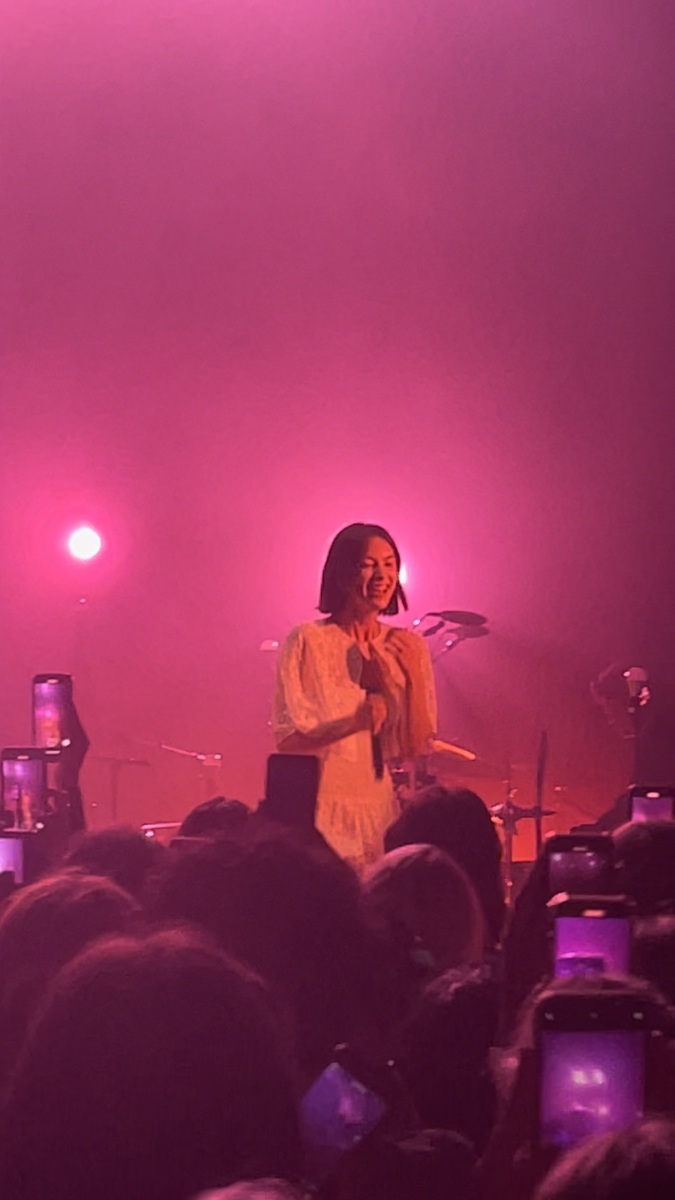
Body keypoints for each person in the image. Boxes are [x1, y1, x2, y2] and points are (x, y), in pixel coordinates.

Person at [274, 523, 437, 866]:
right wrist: (355, 723)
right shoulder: (307, 640)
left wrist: (414, 678)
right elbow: (288, 739)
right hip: (319, 816)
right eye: (368, 564)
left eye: (390, 564)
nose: (382, 575)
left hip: (380, 816)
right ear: (342, 573)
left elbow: (415, 747)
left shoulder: (407, 646)